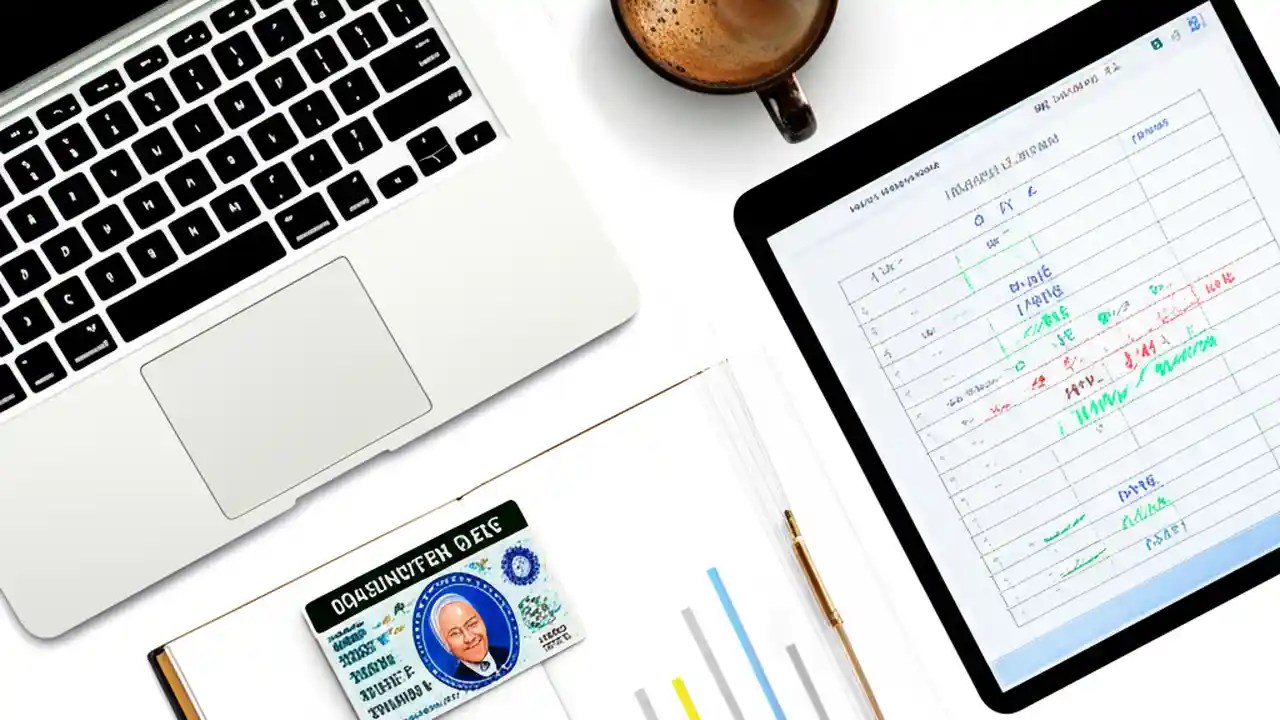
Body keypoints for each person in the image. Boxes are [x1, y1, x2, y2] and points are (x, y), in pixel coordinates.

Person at [430, 594, 511, 682]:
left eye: (472, 624)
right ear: (445, 645)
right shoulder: (460, 681)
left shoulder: (507, 653)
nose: (469, 638)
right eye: (455, 634)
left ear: (482, 622)